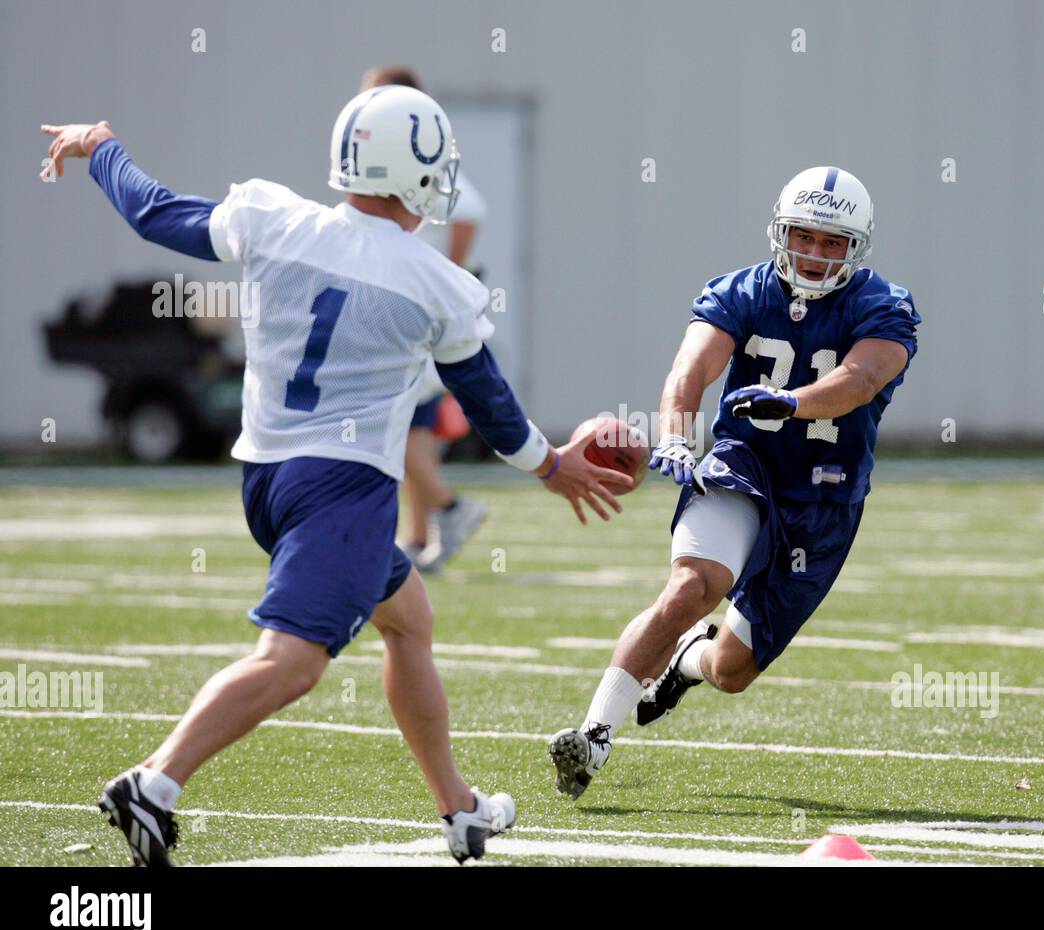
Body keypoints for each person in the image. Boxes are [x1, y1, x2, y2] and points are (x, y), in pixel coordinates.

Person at [41, 86, 631, 863]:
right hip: (344, 489)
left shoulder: (274, 219)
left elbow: (154, 212)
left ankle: (460, 809)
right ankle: (154, 783)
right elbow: (487, 402)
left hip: (265, 479)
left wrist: (103, 147)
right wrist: (552, 465)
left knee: (408, 620)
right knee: (291, 665)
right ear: (417, 174)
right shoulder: (434, 281)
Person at [547, 167, 920, 799]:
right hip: (743, 466)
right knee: (693, 586)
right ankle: (594, 735)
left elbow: (858, 383)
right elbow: (692, 366)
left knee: (731, 670)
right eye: (805, 236)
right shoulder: (742, 291)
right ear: (781, 232)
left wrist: (791, 403)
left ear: (856, 248)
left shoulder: (883, 307)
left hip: (823, 497)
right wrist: (673, 434)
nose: (815, 253)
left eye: (833, 242)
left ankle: (687, 661)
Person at [360, 66, 489, 574]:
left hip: (414, 319)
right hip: (402, 314)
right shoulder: (390, 157)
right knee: (410, 424)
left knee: (398, 426)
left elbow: (469, 209)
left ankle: (452, 507)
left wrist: (445, 274)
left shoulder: (422, 154)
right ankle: (415, 536)